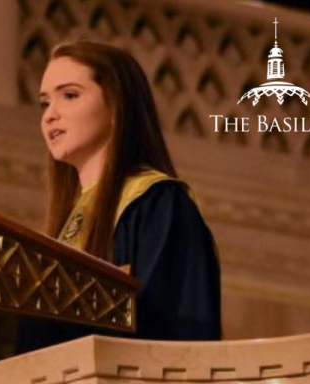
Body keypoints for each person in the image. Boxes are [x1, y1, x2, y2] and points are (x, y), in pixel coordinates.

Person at [34, 41, 221, 342]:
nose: (49, 115)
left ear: (116, 106)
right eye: (45, 103)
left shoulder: (157, 204)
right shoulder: (68, 221)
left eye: (69, 95)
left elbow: (170, 328)